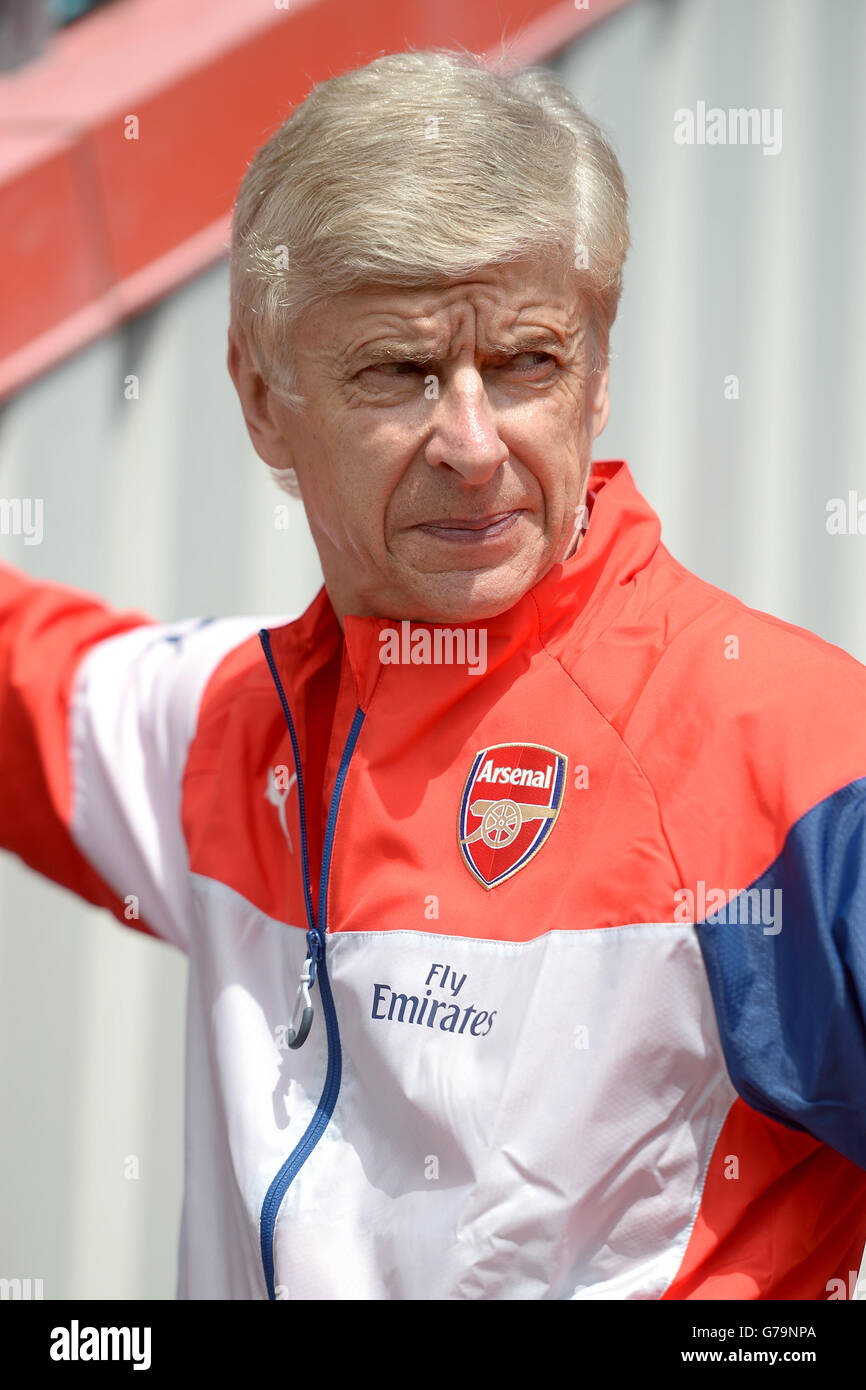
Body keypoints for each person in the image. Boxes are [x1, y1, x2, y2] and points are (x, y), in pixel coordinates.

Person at [1, 47, 865, 1301]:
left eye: (525, 362)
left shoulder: (789, 749)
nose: (473, 443)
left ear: (599, 373)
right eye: (399, 374)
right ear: (260, 398)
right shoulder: (223, 723)